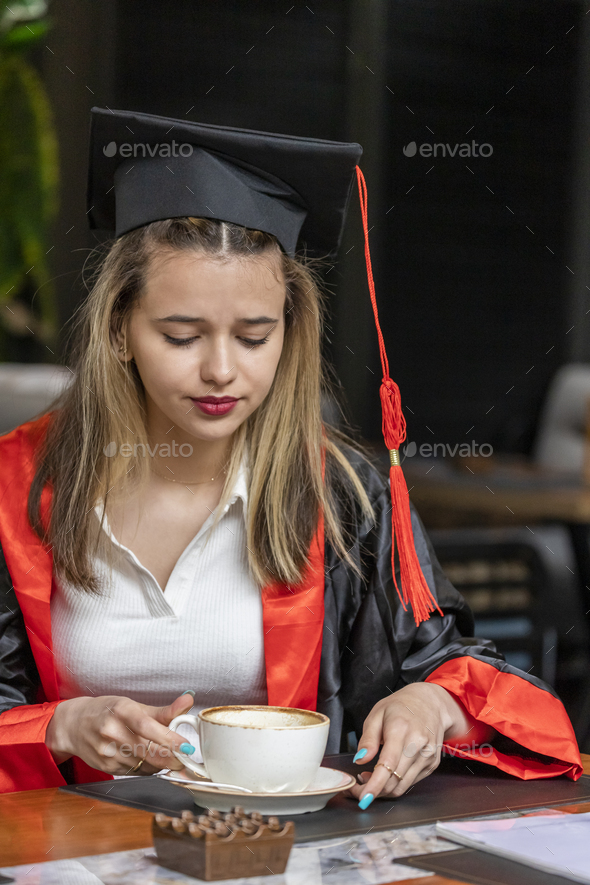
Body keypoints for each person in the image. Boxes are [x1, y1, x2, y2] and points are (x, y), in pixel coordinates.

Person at [0, 108, 581, 801]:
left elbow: (454, 665)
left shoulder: (339, 493)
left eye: (253, 336)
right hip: (67, 857)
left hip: (289, 855)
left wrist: (432, 706)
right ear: (120, 330)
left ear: (289, 329)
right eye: (182, 336)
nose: (222, 370)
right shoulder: (17, 487)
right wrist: (60, 726)